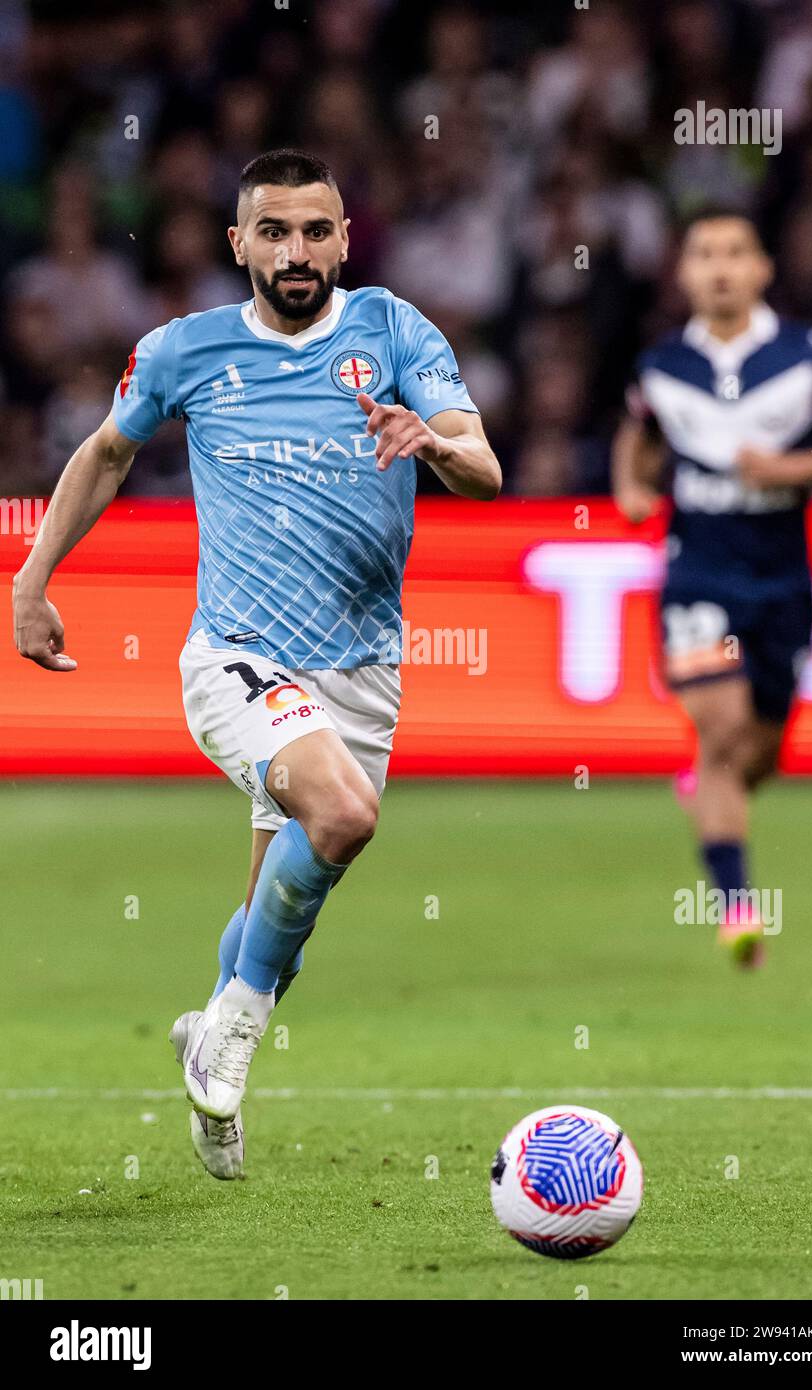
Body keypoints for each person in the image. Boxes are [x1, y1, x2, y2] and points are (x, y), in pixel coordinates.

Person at [13, 148, 501, 1177]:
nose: (295, 251)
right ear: (237, 242)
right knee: (345, 815)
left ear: (343, 239)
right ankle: (233, 1032)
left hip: (362, 666)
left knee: (288, 906)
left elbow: (485, 467)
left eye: (315, 230)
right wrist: (32, 579)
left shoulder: (393, 331)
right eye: (272, 231)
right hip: (236, 652)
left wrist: (431, 442)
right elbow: (106, 452)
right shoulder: (182, 350)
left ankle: (214, 1017)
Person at [613, 207, 812, 967]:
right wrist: (631, 487)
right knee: (721, 735)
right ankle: (736, 906)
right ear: (684, 273)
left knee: (762, 752)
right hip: (699, 570)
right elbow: (642, 433)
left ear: (762, 269)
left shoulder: (807, 355)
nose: (720, 268)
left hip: (784, 577)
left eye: (734, 253)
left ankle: (711, 787)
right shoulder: (661, 364)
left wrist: (788, 472)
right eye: (703, 255)